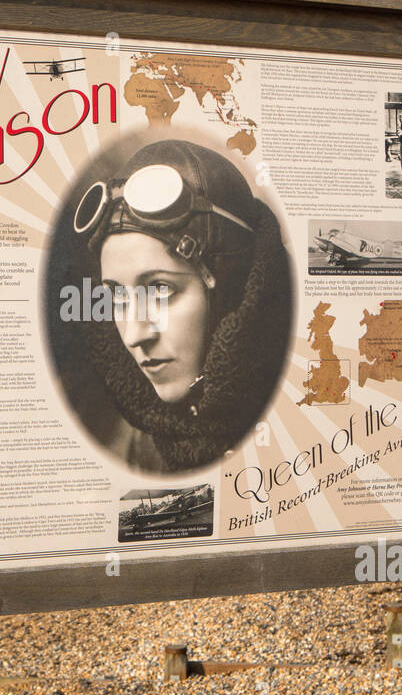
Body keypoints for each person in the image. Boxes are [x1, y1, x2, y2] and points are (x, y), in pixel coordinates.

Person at [68, 139, 292, 472]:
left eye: (159, 289)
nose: (134, 335)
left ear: (232, 288)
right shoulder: (147, 443)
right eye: (117, 296)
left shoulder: (299, 410)